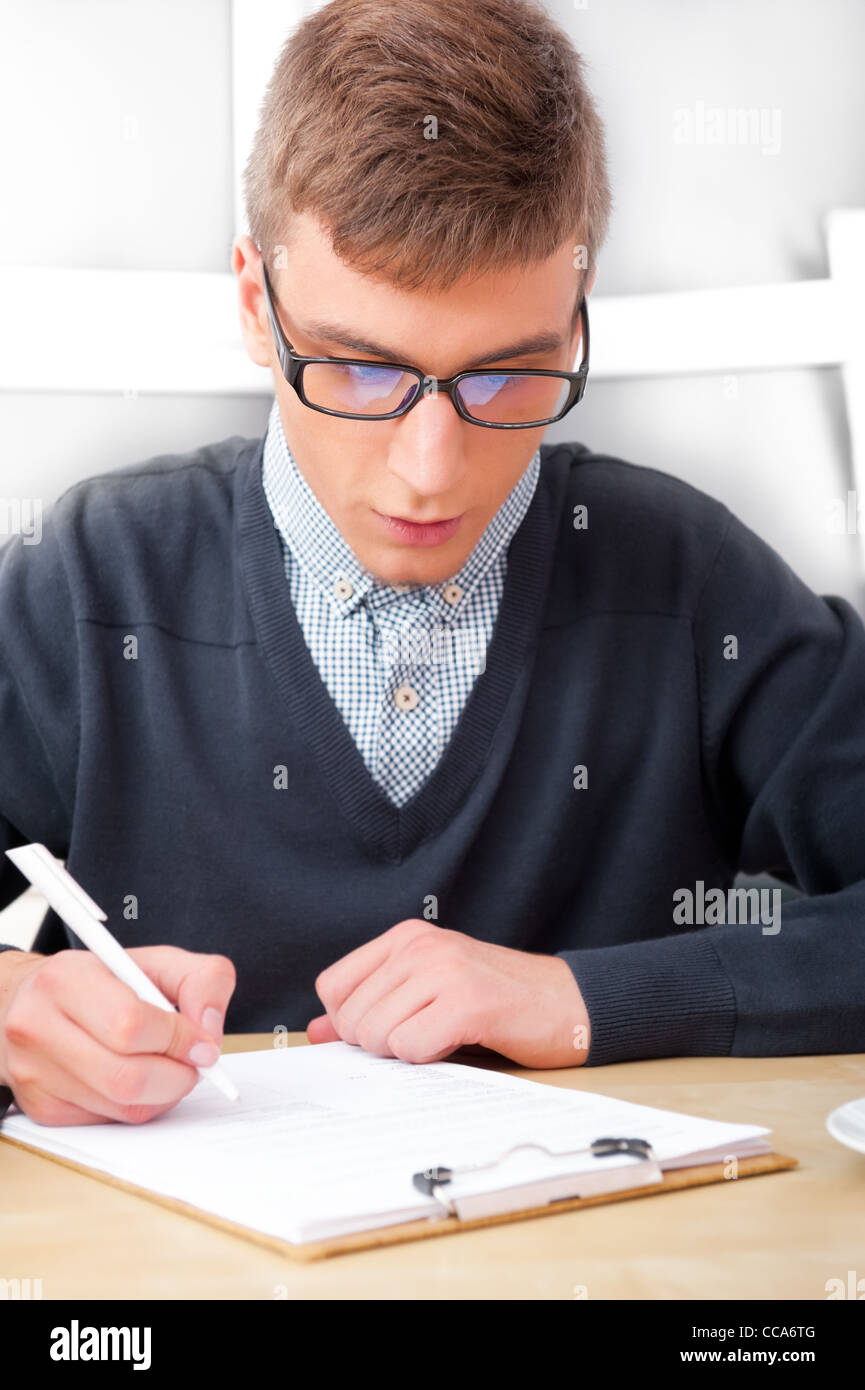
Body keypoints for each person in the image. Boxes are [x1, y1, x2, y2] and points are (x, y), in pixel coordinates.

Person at [1, 0, 863, 1129]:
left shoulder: (686, 582)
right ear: (260, 306)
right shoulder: (87, 584)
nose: (430, 473)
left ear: (573, 324)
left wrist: (580, 999)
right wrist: (12, 1004)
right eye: (361, 373)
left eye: (508, 377)